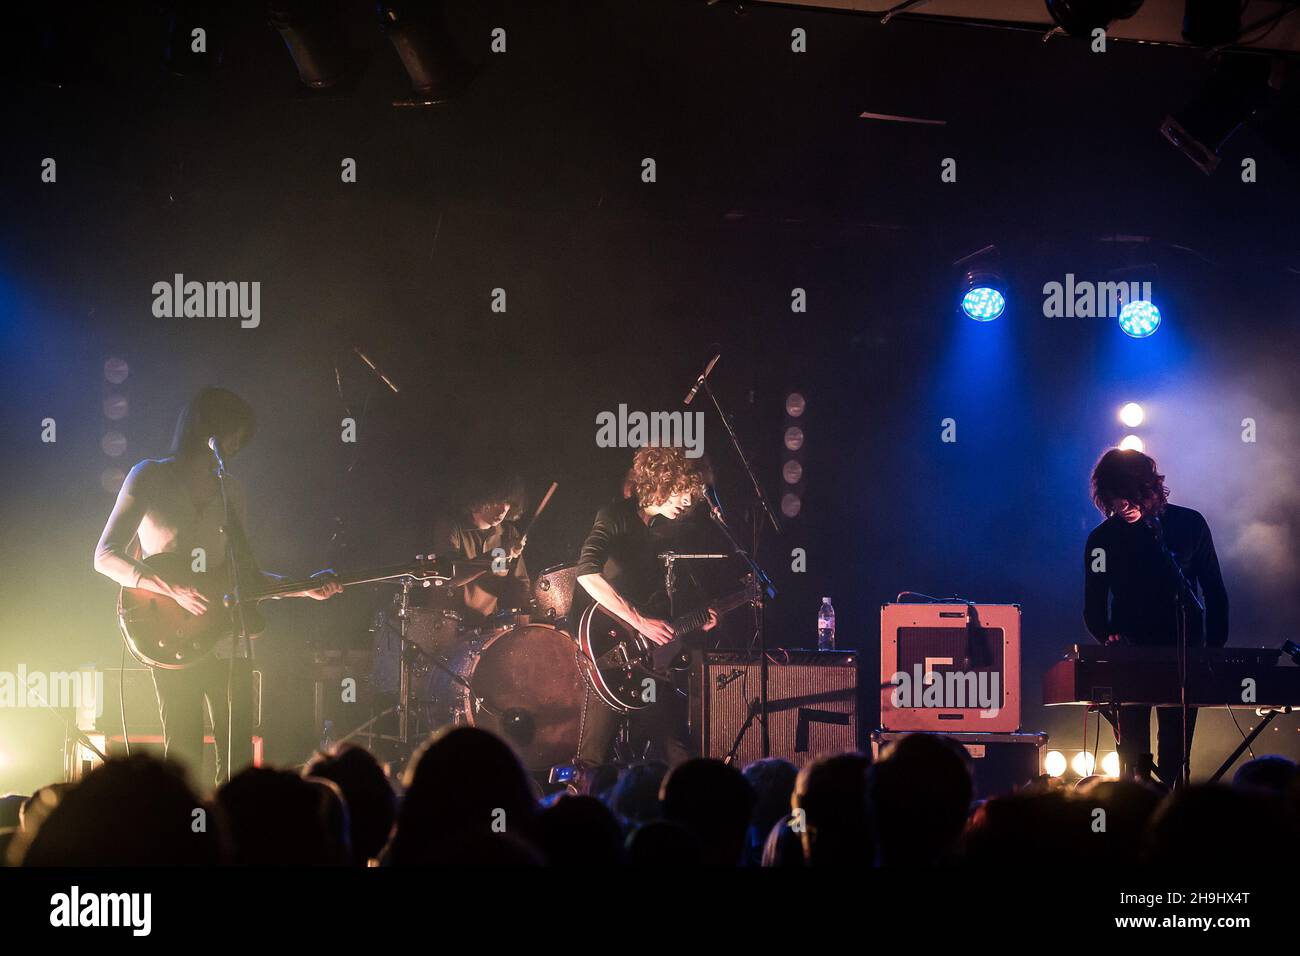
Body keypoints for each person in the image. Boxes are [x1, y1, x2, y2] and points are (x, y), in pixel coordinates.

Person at [94, 387, 341, 787]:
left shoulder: (231, 490)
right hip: (167, 632)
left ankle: (234, 838)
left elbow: (244, 577)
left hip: (225, 634)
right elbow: (104, 555)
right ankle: (186, 840)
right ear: (205, 427)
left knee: (239, 753)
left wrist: (303, 588)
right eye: (232, 434)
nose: (235, 445)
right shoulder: (149, 475)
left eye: (240, 440)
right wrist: (171, 588)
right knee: (185, 751)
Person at [1083, 448, 1229, 787]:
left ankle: (1169, 820)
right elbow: (1093, 605)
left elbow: (1214, 590)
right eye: (1115, 500)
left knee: (1175, 756)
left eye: (1129, 498)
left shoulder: (1189, 524)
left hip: (1184, 654)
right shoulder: (1102, 540)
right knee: (1131, 757)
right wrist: (1108, 637)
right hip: (1129, 658)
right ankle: (1133, 818)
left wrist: (1214, 648)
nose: (1123, 507)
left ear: (1149, 489)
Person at [574, 447, 717, 766]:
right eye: (684, 491)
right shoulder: (615, 516)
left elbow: (657, 599)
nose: (688, 502)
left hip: (649, 662)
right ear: (663, 481)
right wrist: (638, 621)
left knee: (679, 752)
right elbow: (586, 574)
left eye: (692, 495)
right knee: (593, 760)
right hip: (607, 649)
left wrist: (694, 619)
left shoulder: (665, 530)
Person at [429, 474, 532, 624]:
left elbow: (520, 585)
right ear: (481, 498)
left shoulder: (509, 534)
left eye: (508, 502)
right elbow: (450, 575)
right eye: (498, 501)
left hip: (487, 631)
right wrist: (500, 554)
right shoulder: (450, 526)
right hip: (446, 627)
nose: (503, 509)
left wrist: (524, 626)